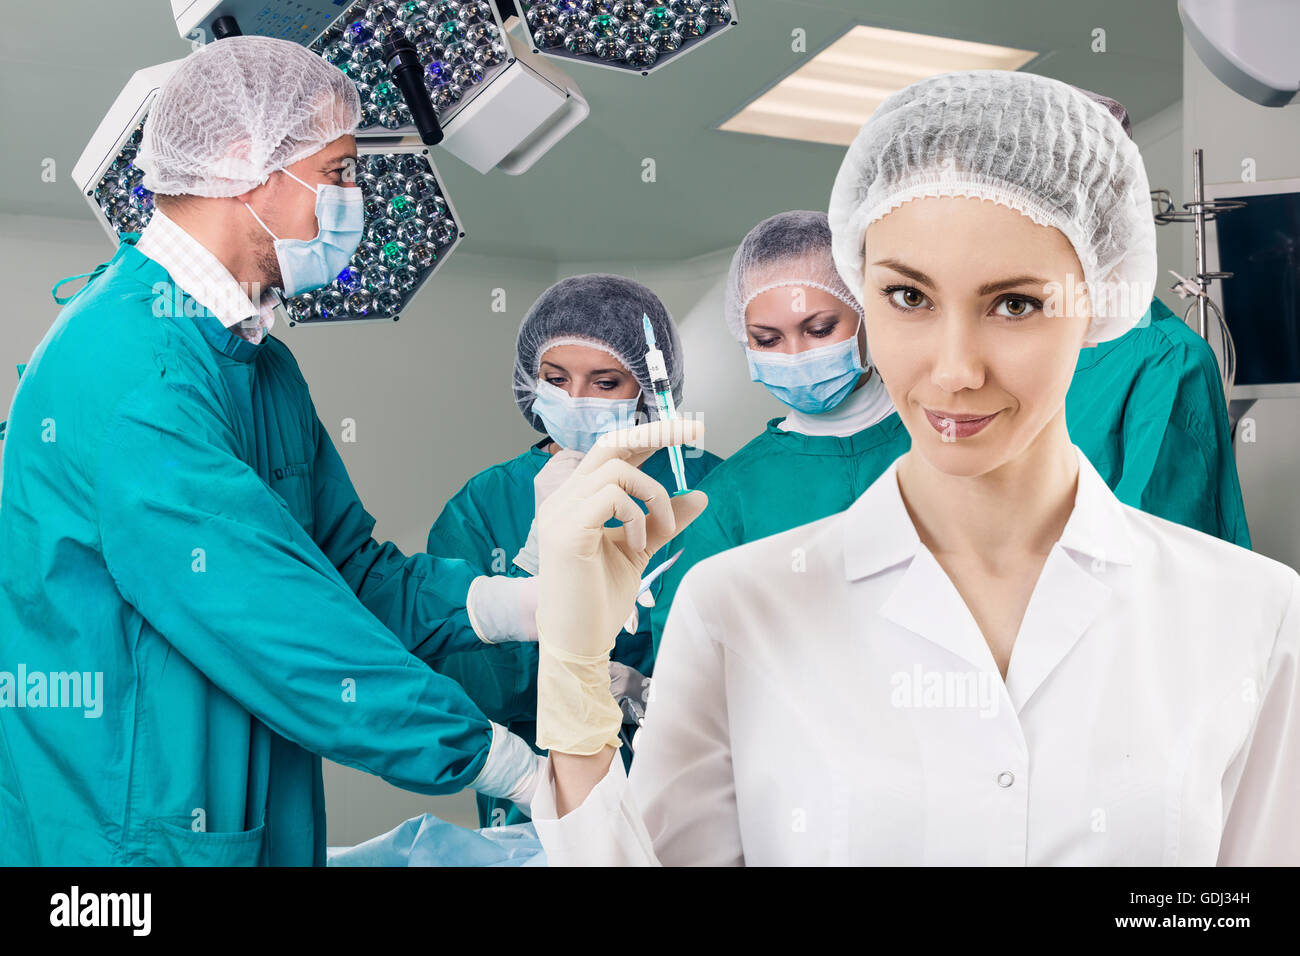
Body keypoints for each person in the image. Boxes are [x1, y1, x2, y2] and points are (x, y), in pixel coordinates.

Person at [526, 70, 1300, 865]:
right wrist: (576, 693)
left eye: (1014, 304)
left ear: (1101, 301)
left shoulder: (1251, 617)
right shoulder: (735, 609)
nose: (955, 370)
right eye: (908, 297)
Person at [0, 37, 542, 866]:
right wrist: (510, 766)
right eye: (338, 174)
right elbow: (283, 626)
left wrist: (517, 607)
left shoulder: (259, 363)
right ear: (240, 165)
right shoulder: (131, 369)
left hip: (240, 821)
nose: (356, 203)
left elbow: (347, 576)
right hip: (127, 848)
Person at [650, 198, 1250, 655]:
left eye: (819, 328)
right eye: (767, 339)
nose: (796, 354)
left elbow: (1160, 580)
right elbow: (698, 675)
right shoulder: (728, 498)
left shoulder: (964, 436)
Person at [426, 274, 722, 827]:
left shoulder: (704, 489)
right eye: (556, 380)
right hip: (537, 808)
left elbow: (751, 662)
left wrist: (653, 694)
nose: (576, 400)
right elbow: (475, 689)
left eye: (605, 382)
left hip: (690, 795)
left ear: (650, 388)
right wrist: (536, 560)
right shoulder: (484, 505)